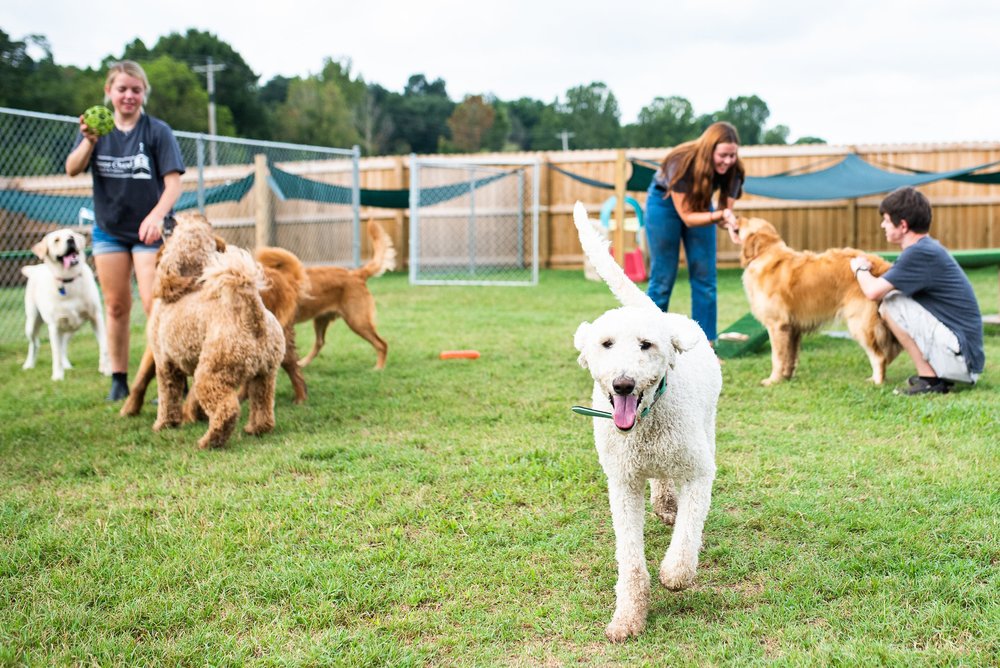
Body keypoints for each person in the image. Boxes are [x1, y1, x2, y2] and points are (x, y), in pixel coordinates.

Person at [66, 60, 185, 401]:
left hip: (150, 232)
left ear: (143, 92)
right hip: (110, 231)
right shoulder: (96, 131)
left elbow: (174, 184)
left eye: (135, 89)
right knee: (116, 306)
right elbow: (72, 169)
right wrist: (88, 141)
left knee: (155, 304)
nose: (129, 96)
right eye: (122, 89)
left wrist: (157, 216)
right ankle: (119, 378)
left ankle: (169, 377)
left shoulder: (157, 131)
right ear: (109, 92)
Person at [850, 186, 984, 395]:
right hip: (963, 357)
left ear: (902, 225)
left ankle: (930, 380)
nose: (882, 225)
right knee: (895, 297)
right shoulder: (925, 249)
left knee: (891, 302)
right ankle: (933, 375)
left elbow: (873, 291)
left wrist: (858, 268)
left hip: (962, 361)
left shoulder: (920, 253)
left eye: (886, 220)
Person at [644, 121, 743, 342]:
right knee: (662, 279)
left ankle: (707, 347)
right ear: (710, 150)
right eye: (723, 155)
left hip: (701, 203)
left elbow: (722, 214)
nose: (728, 161)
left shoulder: (734, 171)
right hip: (663, 204)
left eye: (732, 155)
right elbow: (688, 217)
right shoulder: (681, 161)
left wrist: (730, 223)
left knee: (705, 277)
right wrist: (720, 215)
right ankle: (647, 342)